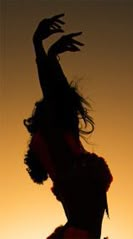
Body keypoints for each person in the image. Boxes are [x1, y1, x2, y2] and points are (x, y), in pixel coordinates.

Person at [24, 14, 113, 239]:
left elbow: (58, 94)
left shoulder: (69, 153)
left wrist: (50, 56)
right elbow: (55, 93)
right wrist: (39, 47)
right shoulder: (59, 147)